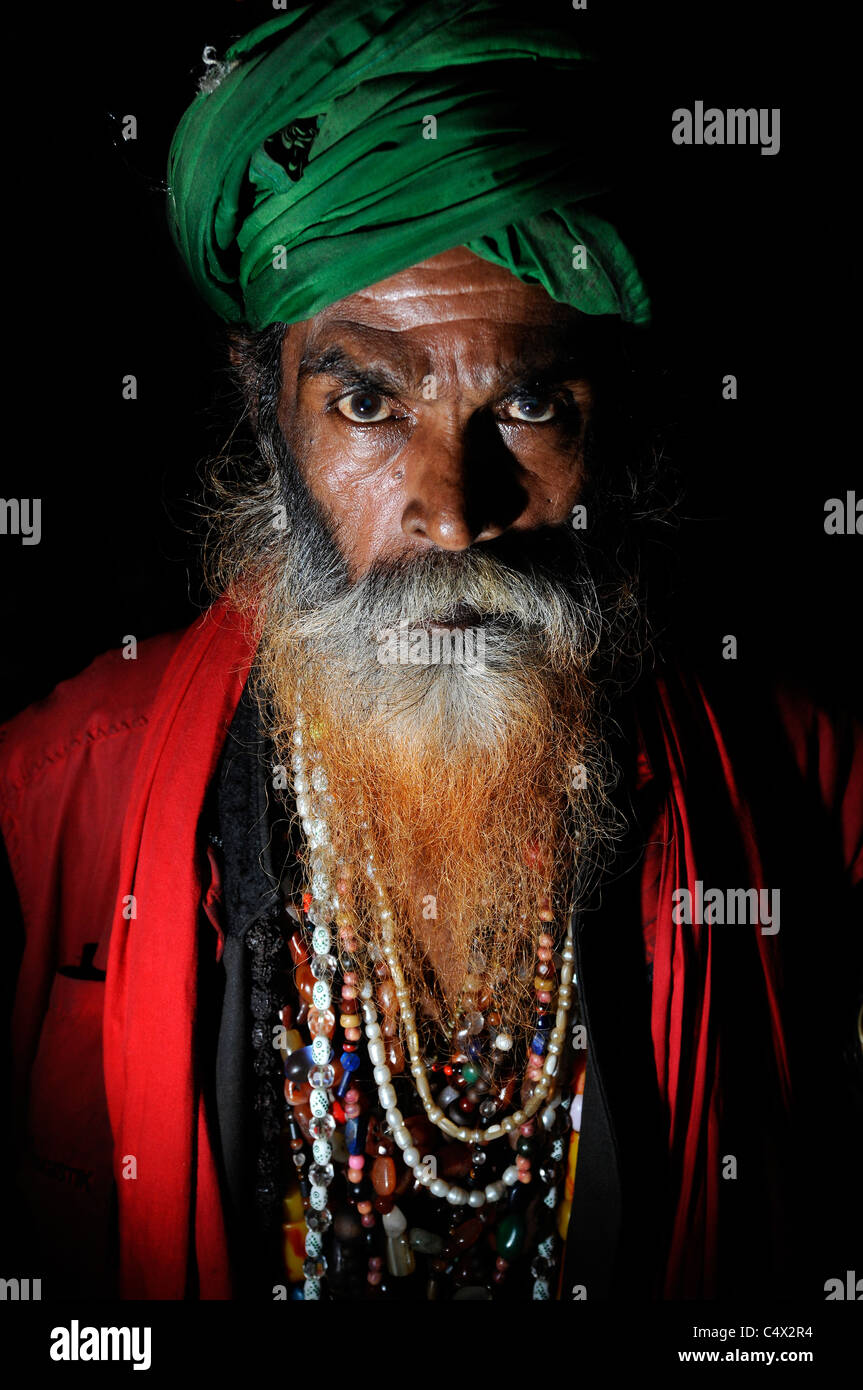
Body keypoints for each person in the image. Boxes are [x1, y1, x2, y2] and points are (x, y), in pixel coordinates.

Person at [1, 0, 860, 1304]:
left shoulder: (812, 787)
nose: (454, 512)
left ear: (605, 419)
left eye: (526, 402)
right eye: (366, 399)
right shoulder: (57, 787)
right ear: (264, 405)